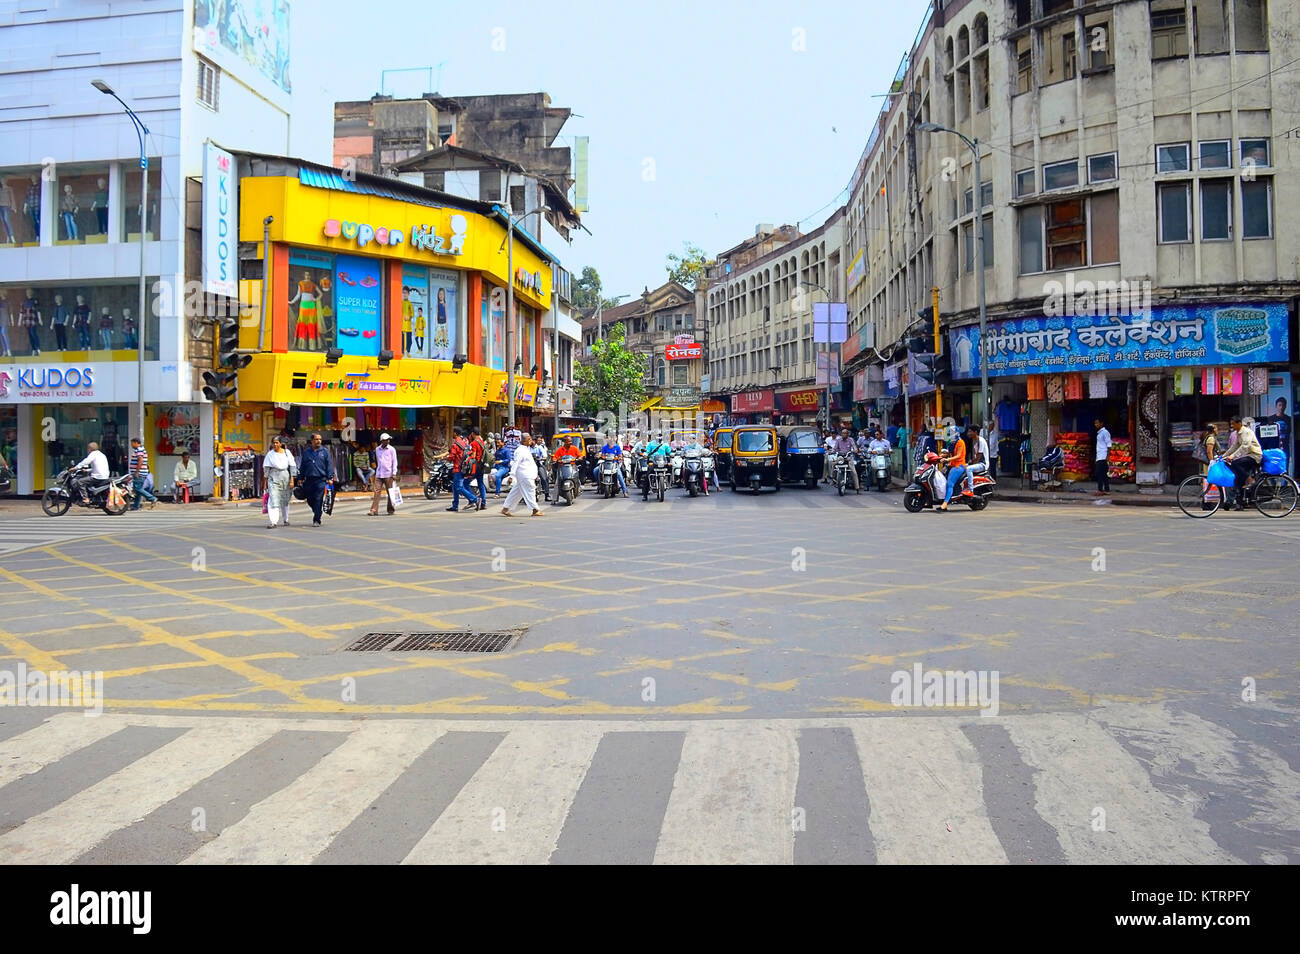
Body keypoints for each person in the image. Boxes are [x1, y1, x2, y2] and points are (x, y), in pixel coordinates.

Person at [1222, 415, 1263, 510]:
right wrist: (1224, 456)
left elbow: (1245, 446)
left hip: (1255, 456)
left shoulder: (1246, 432)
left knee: (1235, 463)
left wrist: (1232, 456)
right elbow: (1234, 446)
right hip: (1249, 456)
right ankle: (1239, 504)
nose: (1232, 426)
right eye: (1231, 424)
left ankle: (1249, 479)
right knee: (1238, 479)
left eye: (1233, 424)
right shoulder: (1238, 433)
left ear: (1239, 423)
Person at [298, 432, 336, 526]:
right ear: (312, 441)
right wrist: (300, 478)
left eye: (320, 439)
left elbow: (329, 465)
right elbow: (303, 465)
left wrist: (330, 477)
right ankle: (317, 511)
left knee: (318, 499)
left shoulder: (325, 451)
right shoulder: (306, 452)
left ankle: (316, 520)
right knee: (310, 499)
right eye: (316, 439)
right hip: (309, 480)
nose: (318, 441)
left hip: (321, 480)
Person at [501, 433, 544, 517]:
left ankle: (505, 509)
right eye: (529, 439)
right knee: (530, 491)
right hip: (525, 476)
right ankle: (535, 509)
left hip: (527, 475)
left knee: (516, 492)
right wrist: (512, 476)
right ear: (524, 441)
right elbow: (516, 463)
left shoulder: (526, 449)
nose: (531, 441)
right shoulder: (520, 451)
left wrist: (535, 474)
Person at [263, 435, 295, 528]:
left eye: (277, 442)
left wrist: (292, 480)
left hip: (285, 478)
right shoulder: (270, 454)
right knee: (273, 499)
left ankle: (286, 519)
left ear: (281, 444)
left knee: (285, 500)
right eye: (273, 442)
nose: (275, 444)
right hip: (273, 478)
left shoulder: (287, 453)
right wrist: (264, 483)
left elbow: (292, 466)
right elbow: (266, 469)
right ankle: (273, 521)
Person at [367, 432, 398, 516]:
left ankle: (390, 509)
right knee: (376, 492)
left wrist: (394, 473)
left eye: (388, 440)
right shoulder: (377, 449)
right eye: (386, 440)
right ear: (382, 441)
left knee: (390, 492)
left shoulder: (392, 449)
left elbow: (394, 462)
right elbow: (378, 460)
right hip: (379, 473)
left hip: (389, 474)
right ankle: (374, 510)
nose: (388, 441)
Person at [938, 431, 968, 512]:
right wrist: (941, 456)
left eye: (951, 434)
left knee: (949, 484)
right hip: (951, 464)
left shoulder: (960, 442)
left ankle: (945, 504)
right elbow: (949, 453)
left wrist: (947, 459)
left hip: (959, 466)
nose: (950, 436)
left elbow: (958, 455)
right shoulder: (952, 443)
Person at [445, 426, 474, 512]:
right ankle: (455, 505)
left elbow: (451, 457)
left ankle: (474, 499)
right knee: (455, 487)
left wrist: (445, 458)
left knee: (459, 488)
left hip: (458, 468)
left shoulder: (455, 445)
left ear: (455, 433)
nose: (452, 434)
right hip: (463, 467)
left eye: (453, 432)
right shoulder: (463, 442)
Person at [128, 437, 157, 510]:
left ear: (136, 443)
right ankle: (136, 506)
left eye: (132, 443)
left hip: (140, 473)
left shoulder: (139, 450)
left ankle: (152, 498)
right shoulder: (140, 450)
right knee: (138, 490)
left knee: (137, 488)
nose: (131, 445)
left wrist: (137, 471)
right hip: (141, 473)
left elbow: (140, 460)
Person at [831, 427, 861, 493]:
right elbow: (835, 448)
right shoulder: (838, 440)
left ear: (848, 434)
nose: (844, 434)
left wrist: (855, 450)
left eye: (845, 433)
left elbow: (854, 446)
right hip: (840, 458)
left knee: (853, 471)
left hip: (848, 457)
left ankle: (857, 488)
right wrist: (832, 451)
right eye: (843, 433)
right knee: (833, 464)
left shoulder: (851, 440)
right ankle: (833, 479)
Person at [964, 424, 990, 493]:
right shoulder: (974, 441)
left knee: (968, 469)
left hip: (983, 464)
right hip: (978, 463)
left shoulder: (981, 441)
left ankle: (970, 489)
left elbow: (979, 456)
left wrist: (971, 463)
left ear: (975, 432)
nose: (969, 433)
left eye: (970, 432)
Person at [468, 426, 487, 511]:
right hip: (482, 465)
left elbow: (474, 455)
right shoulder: (482, 441)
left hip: (476, 466)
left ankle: (473, 499)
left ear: (472, 434)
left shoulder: (474, 443)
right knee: (480, 484)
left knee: (464, 483)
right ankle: (483, 503)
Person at [1093, 418, 1112, 496]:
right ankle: (1107, 490)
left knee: (1099, 473)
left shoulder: (1105, 432)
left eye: (1097, 423)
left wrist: (1108, 456)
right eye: (1095, 423)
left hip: (1103, 456)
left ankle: (1100, 490)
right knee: (1103, 474)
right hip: (1100, 456)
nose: (1096, 425)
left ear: (1101, 423)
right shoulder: (1099, 433)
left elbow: (1109, 445)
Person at [530, 433, 550, 502]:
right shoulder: (527, 448)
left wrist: (542, 458)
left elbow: (545, 456)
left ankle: (547, 494)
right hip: (530, 466)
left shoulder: (540, 447)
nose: (530, 442)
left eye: (531, 440)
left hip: (538, 465)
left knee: (544, 478)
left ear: (534, 441)